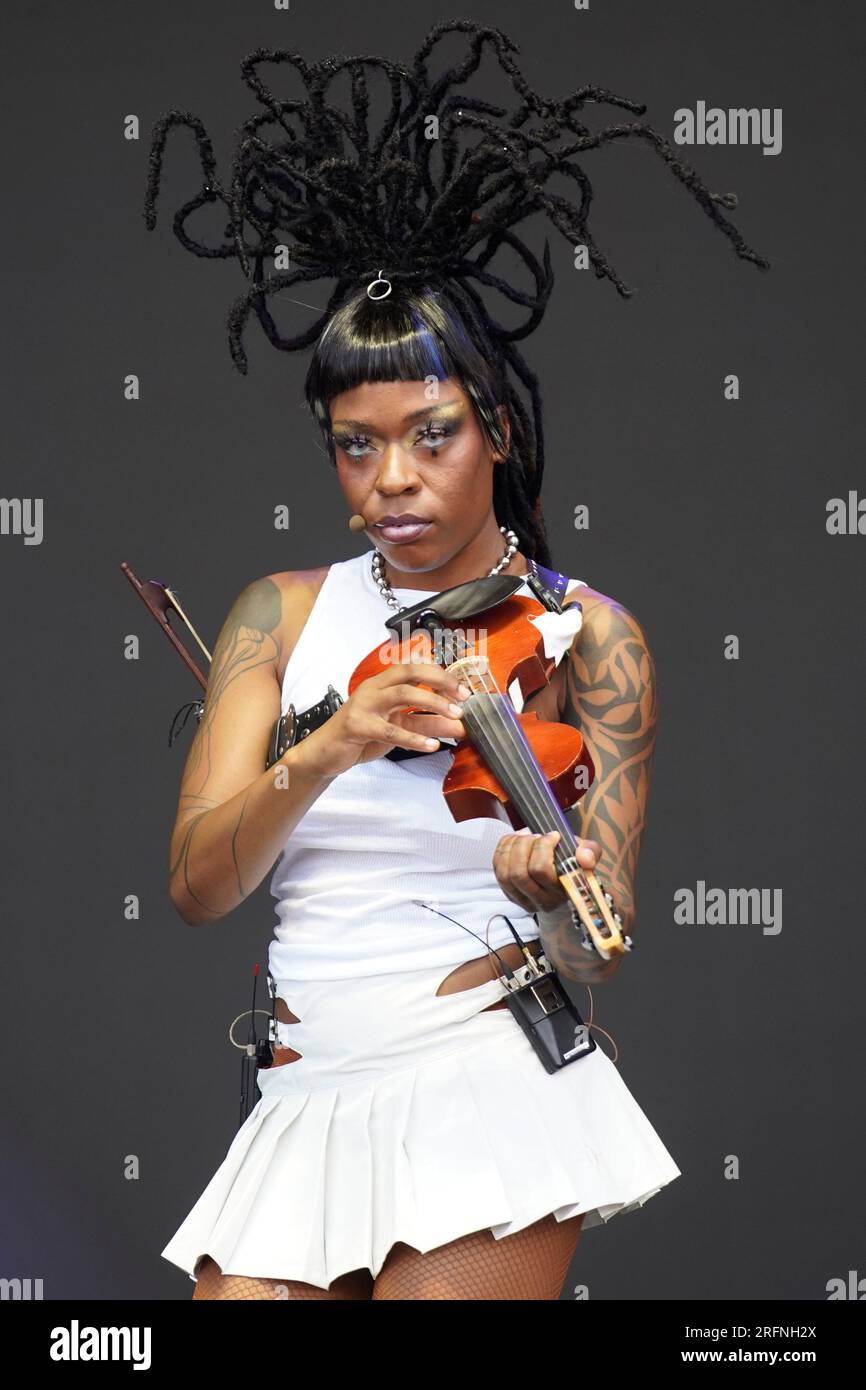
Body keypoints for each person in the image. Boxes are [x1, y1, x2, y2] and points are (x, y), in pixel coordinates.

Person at [144, 20, 768, 1300]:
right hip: (305, 1090)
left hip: (483, 1082)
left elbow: (598, 946)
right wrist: (329, 743)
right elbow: (201, 886)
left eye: (427, 435)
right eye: (352, 444)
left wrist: (547, 879)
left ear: (493, 425)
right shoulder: (277, 612)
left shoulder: (587, 635)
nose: (390, 481)